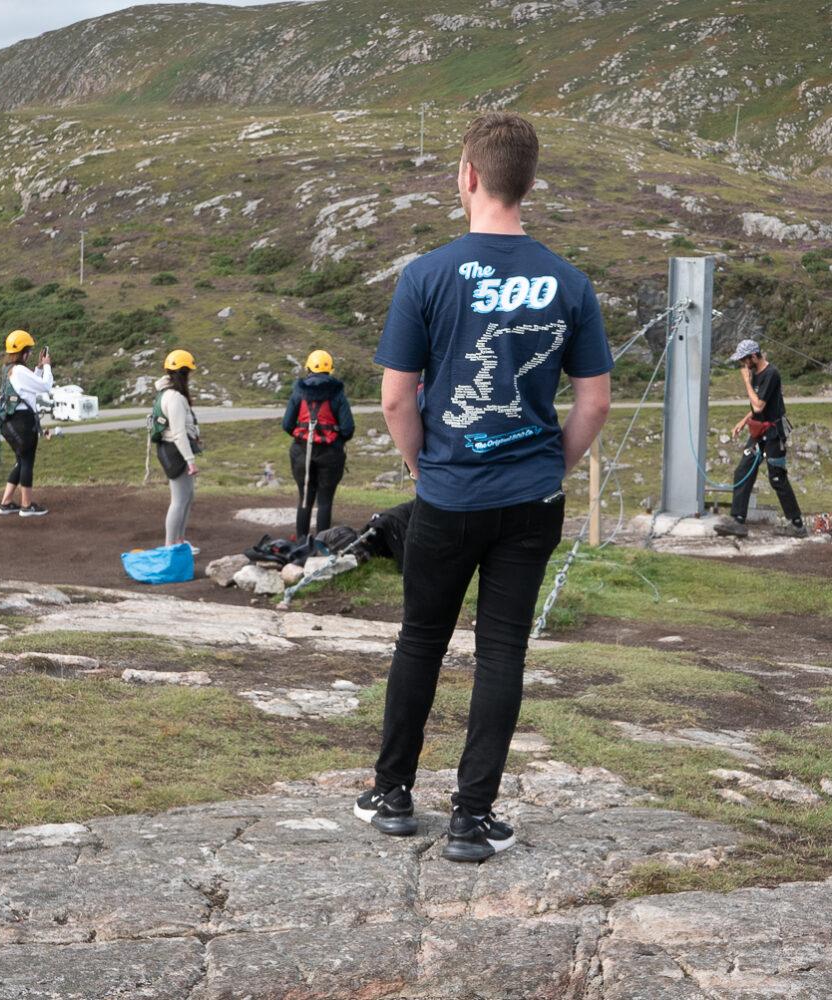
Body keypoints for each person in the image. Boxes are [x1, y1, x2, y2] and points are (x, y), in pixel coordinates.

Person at [354, 112, 612, 863]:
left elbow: (397, 398)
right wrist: (548, 471)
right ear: (529, 183)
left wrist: (421, 467)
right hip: (530, 499)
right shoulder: (569, 281)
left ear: (467, 176)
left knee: (422, 640)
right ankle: (472, 819)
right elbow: (593, 402)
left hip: (447, 494)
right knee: (502, 652)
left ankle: (393, 794)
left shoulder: (426, 275)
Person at [714, 339, 805, 539]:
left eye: (744, 360)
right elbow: (755, 407)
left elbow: (759, 406)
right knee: (743, 470)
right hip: (758, 431)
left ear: (754, 356)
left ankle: (797, 525)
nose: (743, 365)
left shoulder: (771, 374)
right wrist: (743, 421)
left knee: (777, 478)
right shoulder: (756, 373)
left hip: (773, 434)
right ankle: (737, 520)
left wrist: (746, 381)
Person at [282, 349, 354, 540]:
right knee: (325, 501)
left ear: (308, 368)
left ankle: (301, 541)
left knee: (305, 498)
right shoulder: (338, 394)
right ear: (330, 370)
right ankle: (322, 542)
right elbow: (348, 429)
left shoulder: (299, 392)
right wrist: (335, 440)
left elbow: (287, 424)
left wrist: (302, 439)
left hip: (301, 452)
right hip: (330, 454)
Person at [0, 329, 52, 517]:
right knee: (27, 461)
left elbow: (27, 387)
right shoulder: (19, 371)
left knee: (20, 462)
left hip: (7, 423)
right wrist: (48, 366)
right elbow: (44, 386)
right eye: (29, 351)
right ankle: (26, 505)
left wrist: (39, 369)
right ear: (23, 352)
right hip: (22, 423)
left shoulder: (9, 369)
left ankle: (6, 502)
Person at [152, 349, 201, 550]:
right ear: (183, 373)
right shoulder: (174, 398)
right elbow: (179, 433)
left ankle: (179, 542)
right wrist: (190, 461)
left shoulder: (170, 394)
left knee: (187, 497)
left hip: (174, 449)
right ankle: (170, 545)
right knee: (179, 500)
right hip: (176, 451)